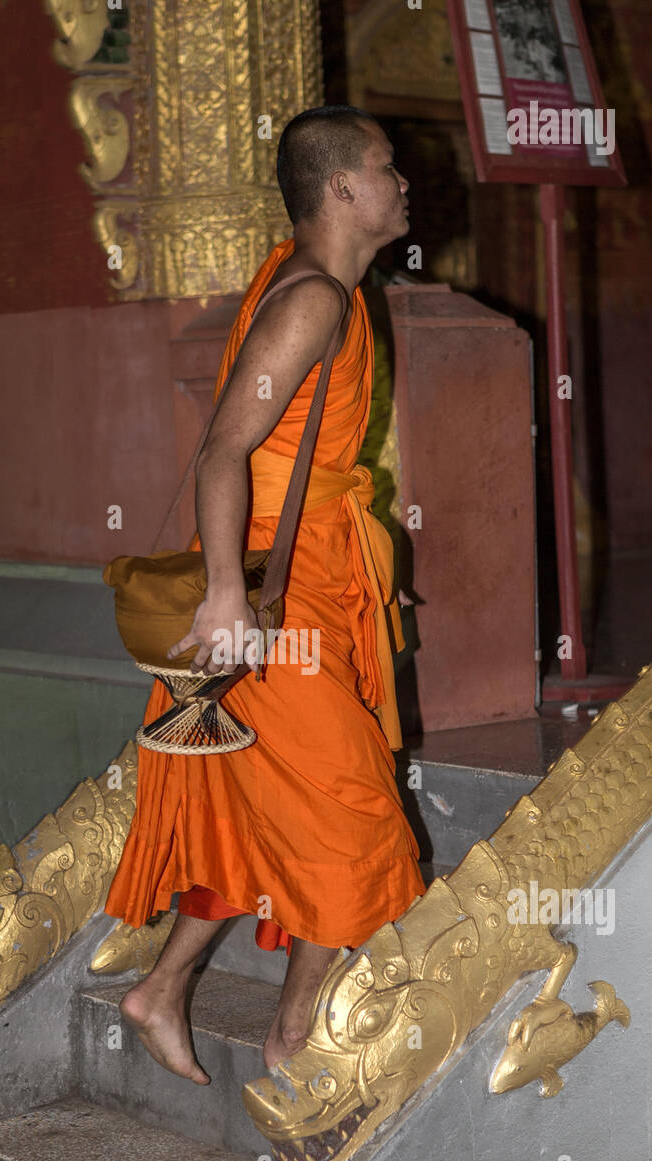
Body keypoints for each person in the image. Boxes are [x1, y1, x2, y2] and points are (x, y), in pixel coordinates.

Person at [105, 105, 427, 1081]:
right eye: (385, 168)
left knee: (242, 806)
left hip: (309, 582)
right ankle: (292, 1036)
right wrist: (224, 603)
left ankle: (158, 991)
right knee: (360, 822)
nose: (402, 182)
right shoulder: (311, 300)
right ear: (339, 190)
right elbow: (224, 451)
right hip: (265, 609)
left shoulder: (326, 287)